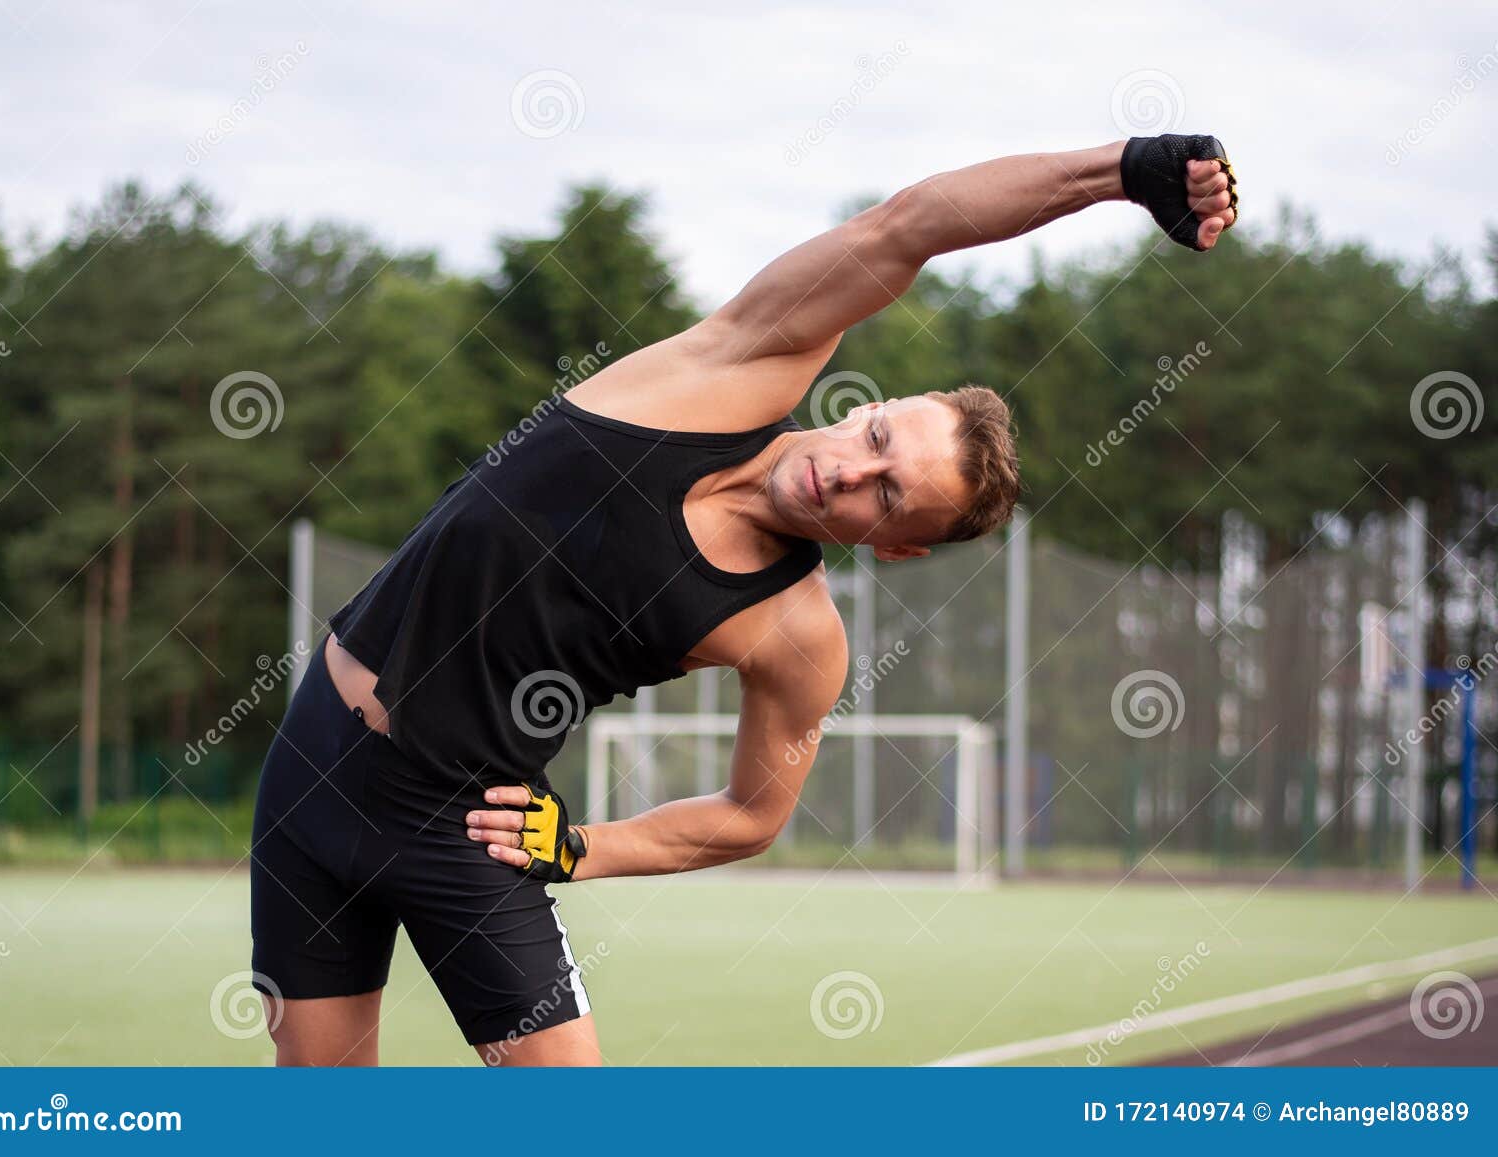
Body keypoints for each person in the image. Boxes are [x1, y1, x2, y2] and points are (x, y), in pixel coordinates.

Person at [250, 133, 1238, 1066]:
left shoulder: (796, 635)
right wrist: (1124, 168)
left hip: (460, 825)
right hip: (309, 772)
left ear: (895, 548)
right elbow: (911, 225)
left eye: (888, 495)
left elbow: (751, 812)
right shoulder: (725, 369)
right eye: (879, 439)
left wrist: (584, 847)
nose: (851, 472)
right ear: (869, 405)